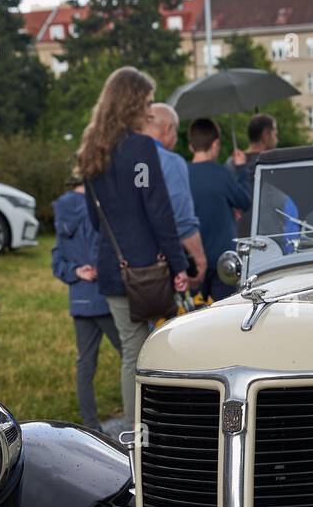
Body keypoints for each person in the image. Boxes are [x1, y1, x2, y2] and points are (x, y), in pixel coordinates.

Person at [79, 67, 189, 425]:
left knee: (132, 350)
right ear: (131, 103)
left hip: (113, 268)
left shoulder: (92, 149)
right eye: (146, 102)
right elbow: (158, 211)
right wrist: (179, 264)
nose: (150, 110)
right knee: (162, 345)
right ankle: (157, 425)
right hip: (149, 269)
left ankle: (134, 429)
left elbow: (95, 219)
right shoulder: (140, 147)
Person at [51, 176, 121, 432]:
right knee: (134, 356)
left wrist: (75, 271)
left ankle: (91, 425)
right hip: (105, 297)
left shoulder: (62, 214)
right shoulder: (95, 210)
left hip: (80, 298)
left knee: (85, 364)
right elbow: (105, 249)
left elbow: (56, 261)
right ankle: (141, 417)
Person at [187, 117, 252, 301]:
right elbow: (245, 202)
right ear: (215, 144)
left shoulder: (182, 174)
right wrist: (241, 169)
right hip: (223, 262)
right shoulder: (221, 174)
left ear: (191, 146)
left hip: (193, 260)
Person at [145, 102, 207, 288]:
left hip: (123, 268)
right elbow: (181, 218)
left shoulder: (121, 158)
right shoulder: (171, 162)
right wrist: (199, 260)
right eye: (175, 132)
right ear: (168, 128)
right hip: (161, 268)